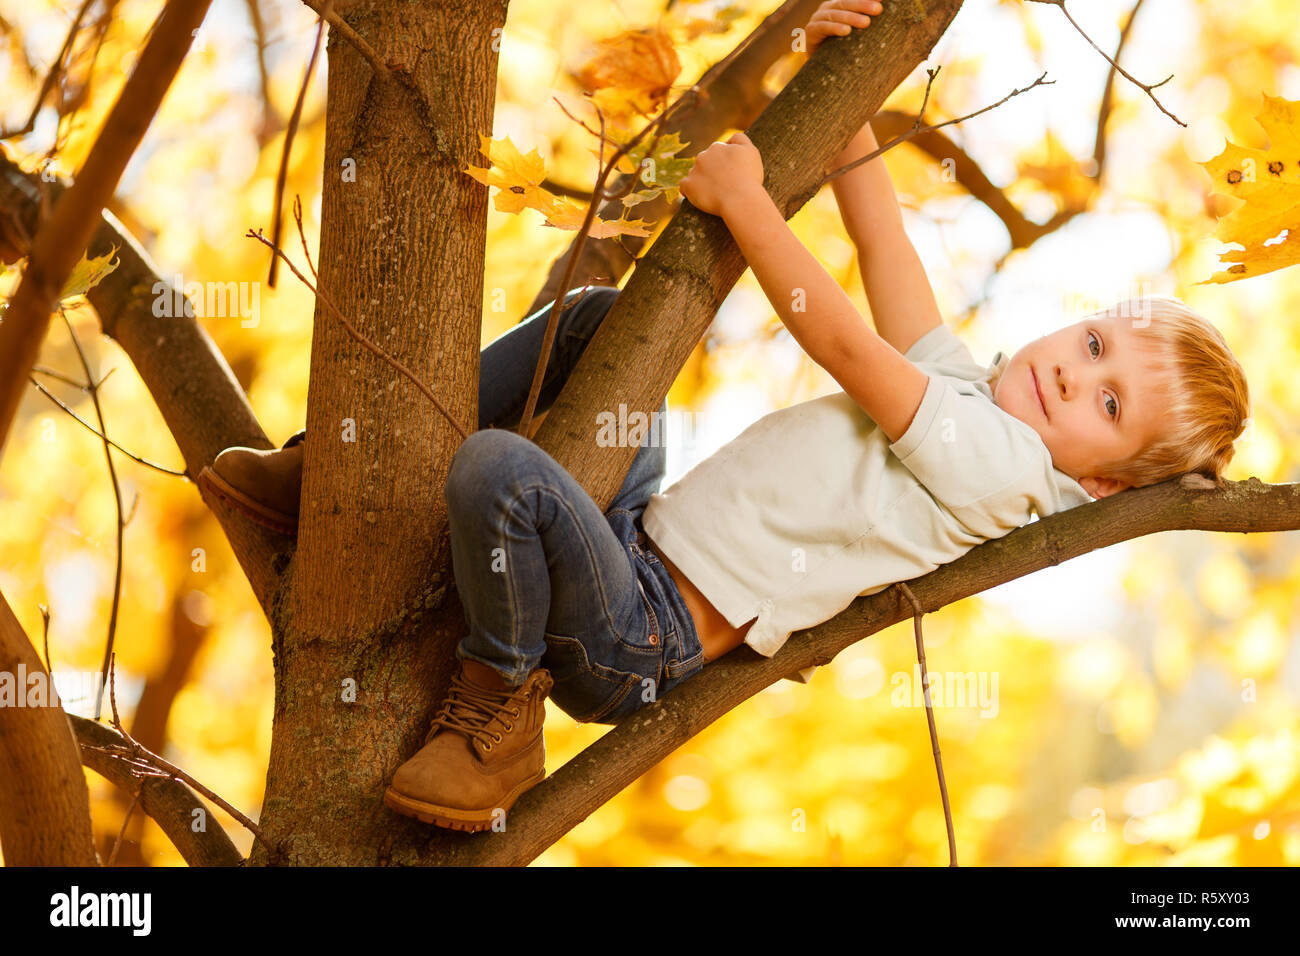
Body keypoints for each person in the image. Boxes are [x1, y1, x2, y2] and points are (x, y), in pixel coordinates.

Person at [198, 0, 1251, 831]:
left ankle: (498, 711)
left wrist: (749, 206)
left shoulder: (998, 472)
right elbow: (886, 252)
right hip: (635, 536)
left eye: (1109, 402)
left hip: (637, 633)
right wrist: (835, 88)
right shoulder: (974, 394)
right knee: (597, 321)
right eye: (1096, 344)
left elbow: (843, 340)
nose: (1076, 373)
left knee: (498, 470)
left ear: (1102, 485)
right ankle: (341, 481)